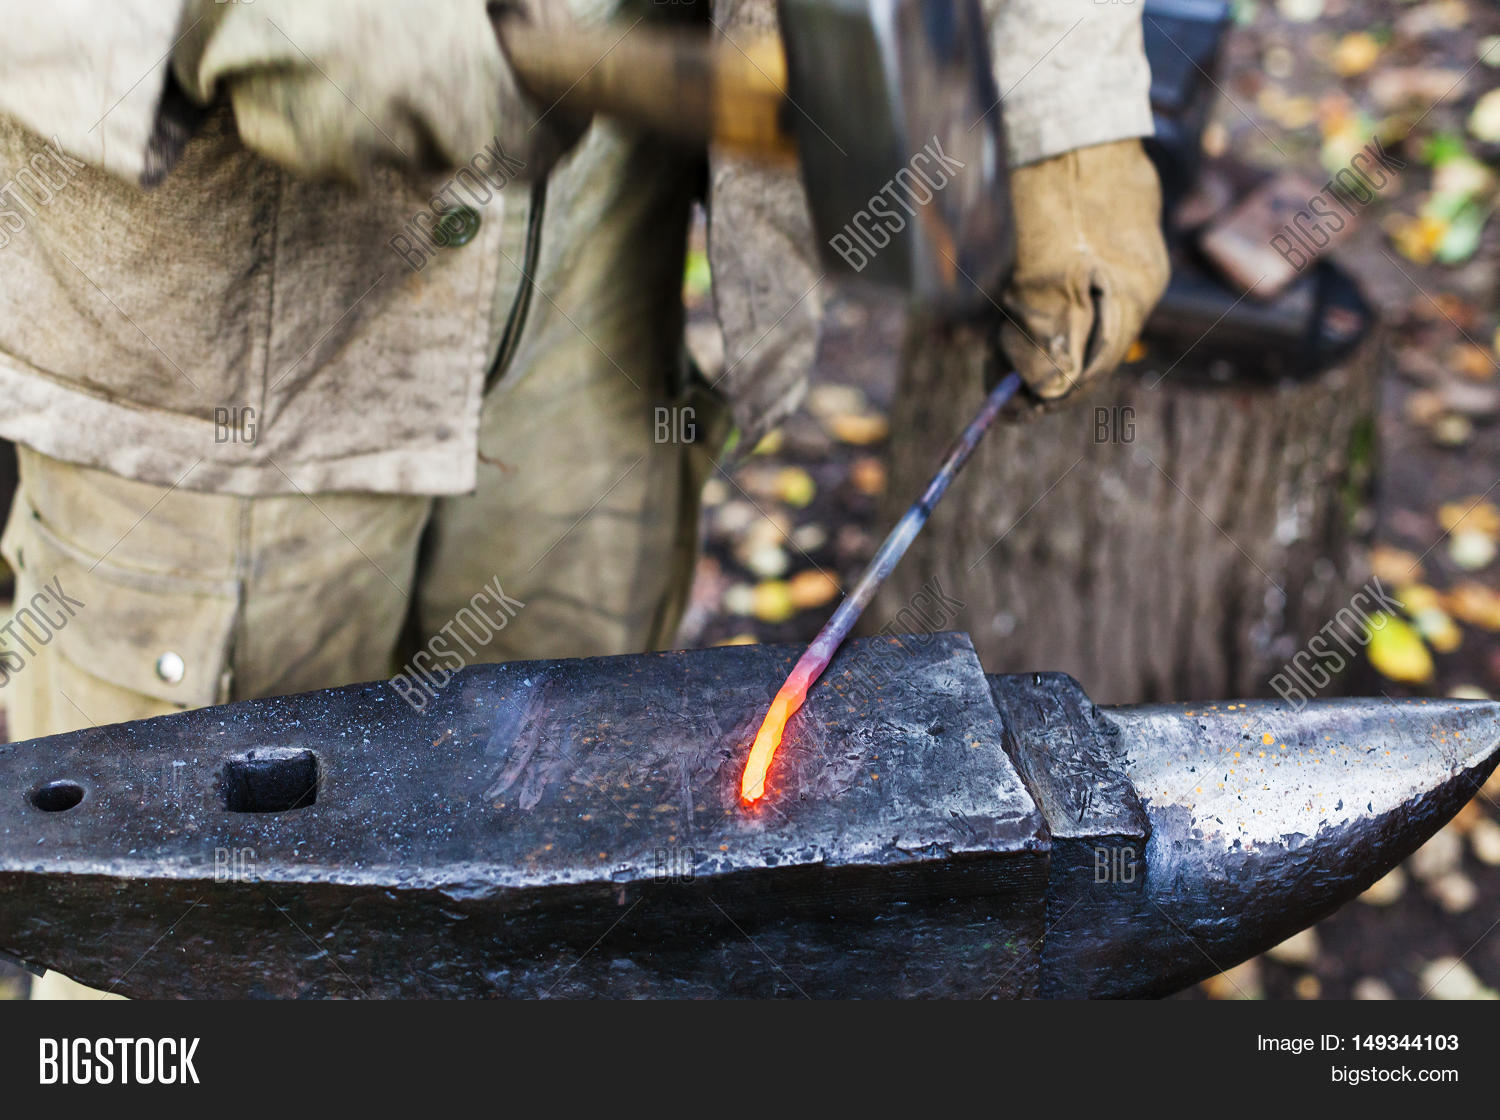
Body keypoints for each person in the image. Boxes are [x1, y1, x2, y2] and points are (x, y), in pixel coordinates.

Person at [0, 0, 1167, 997]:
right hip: (208, 307)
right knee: (186, 959)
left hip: (609, 240)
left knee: (594, 917)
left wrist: (1070, 109)